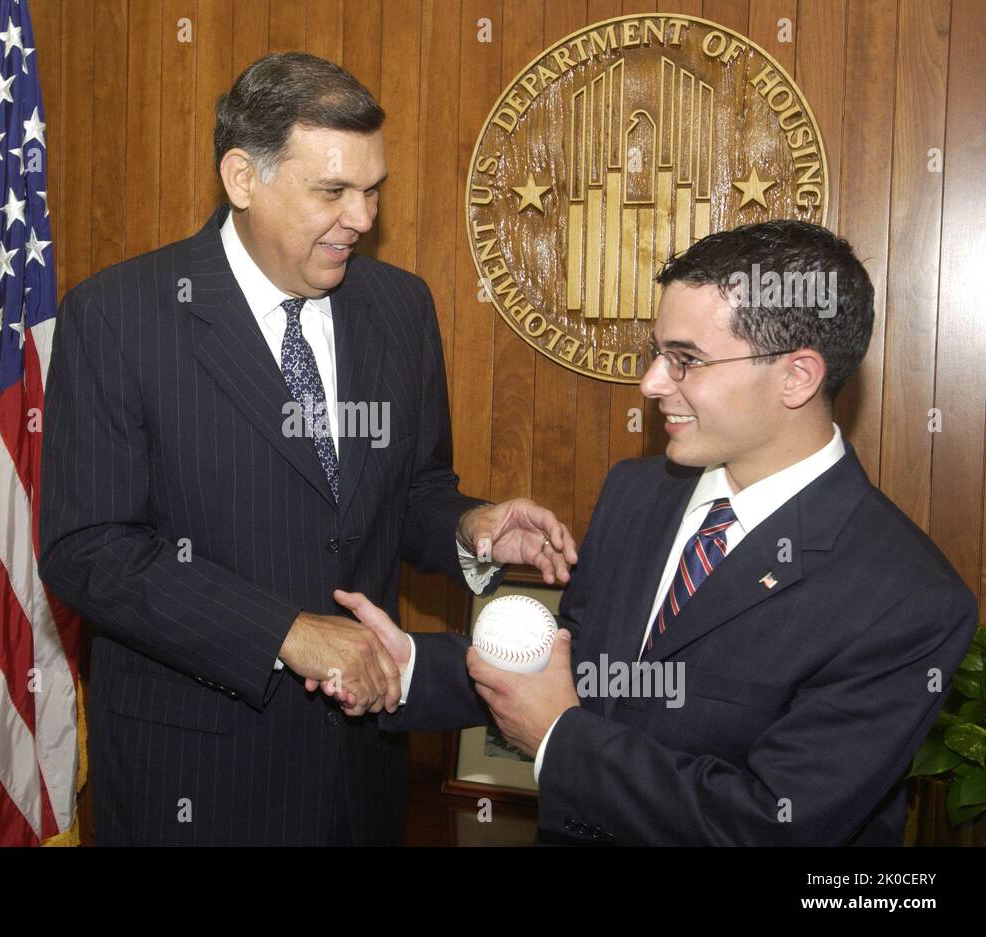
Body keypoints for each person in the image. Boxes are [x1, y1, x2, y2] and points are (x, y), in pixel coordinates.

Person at [37, 52, 574, 846]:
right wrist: (284, 630)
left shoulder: (398, 308)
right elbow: (89, 551)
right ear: (242, 178)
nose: (361, 217)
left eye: (372, 191)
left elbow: (413, 490)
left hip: (358, 774)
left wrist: (471, 526)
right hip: (193, 778)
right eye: (332, 191)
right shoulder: (121, 316)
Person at [341, 220, 980, 845]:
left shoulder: (907, 600)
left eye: (685, 361)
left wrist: (562, 739)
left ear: (797, 376)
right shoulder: (638, 492)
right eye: (657, 353)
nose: (650, 385)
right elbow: (584, 667)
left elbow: (769, 823)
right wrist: (412, 668)